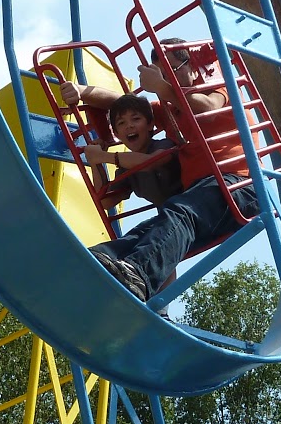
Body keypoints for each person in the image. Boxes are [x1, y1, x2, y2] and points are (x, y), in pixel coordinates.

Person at [59, 41, 260, 302]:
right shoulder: (169, 108)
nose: (164, 79)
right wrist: (81, 91)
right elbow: (124, 104)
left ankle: (138, 275)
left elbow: (208, 110)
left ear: (191, 67)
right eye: (160, 73)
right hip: (203, 195)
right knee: (145, 233)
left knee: (179, 212)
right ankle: (95, 263)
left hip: (237, 186)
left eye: (170, 70)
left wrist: (163, 87)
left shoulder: (214, 88)